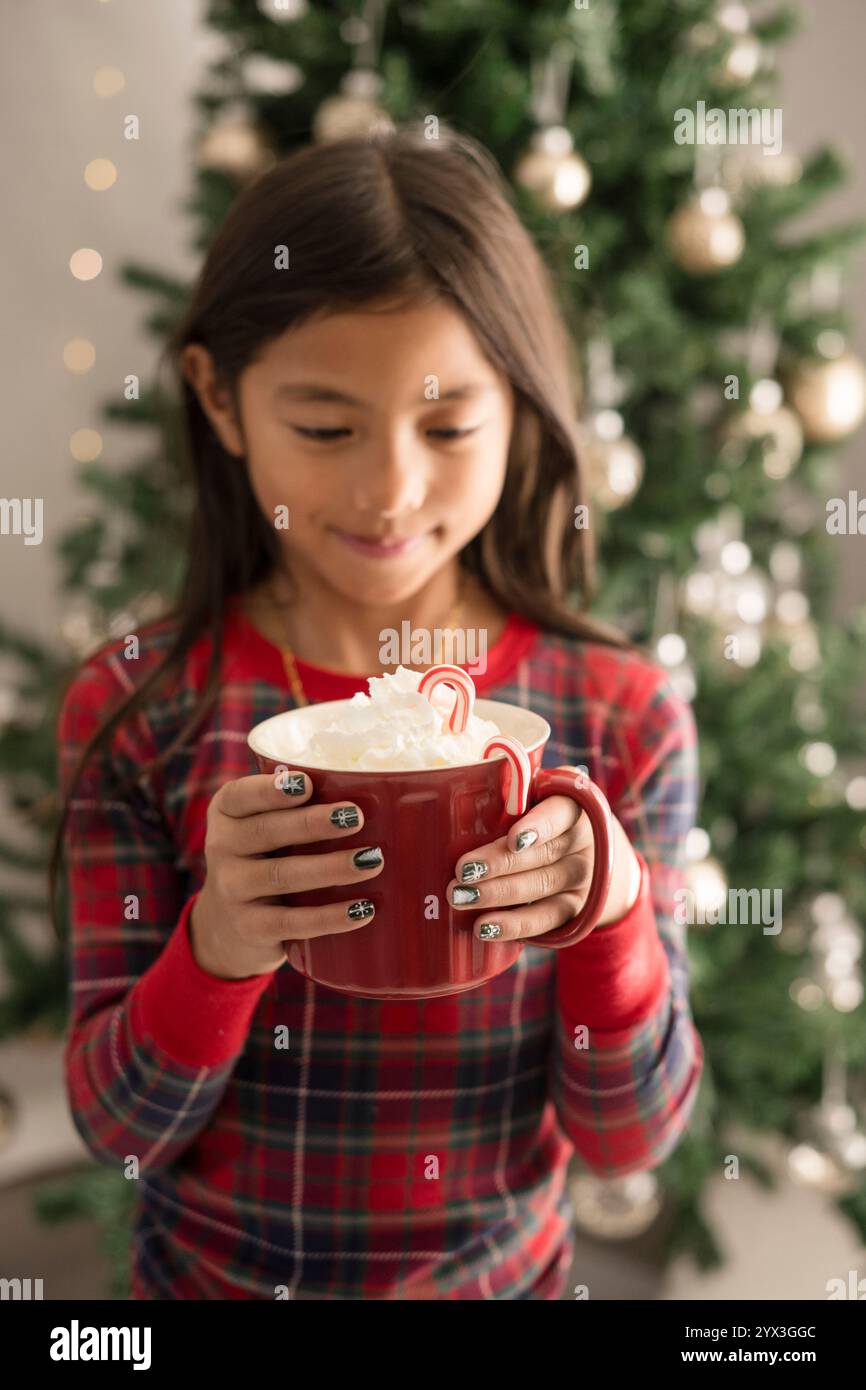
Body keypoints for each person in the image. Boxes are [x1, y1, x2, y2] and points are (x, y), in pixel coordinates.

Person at [52, 124, 704, 1301]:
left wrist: (610, 920)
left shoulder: (615, 715)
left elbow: (628, 1146)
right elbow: (119, 1131)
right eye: (324, 427)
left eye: (449, 426)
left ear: (521, 409)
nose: (389, 488)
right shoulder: (142, 710)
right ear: (219, 397)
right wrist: (219, 945)